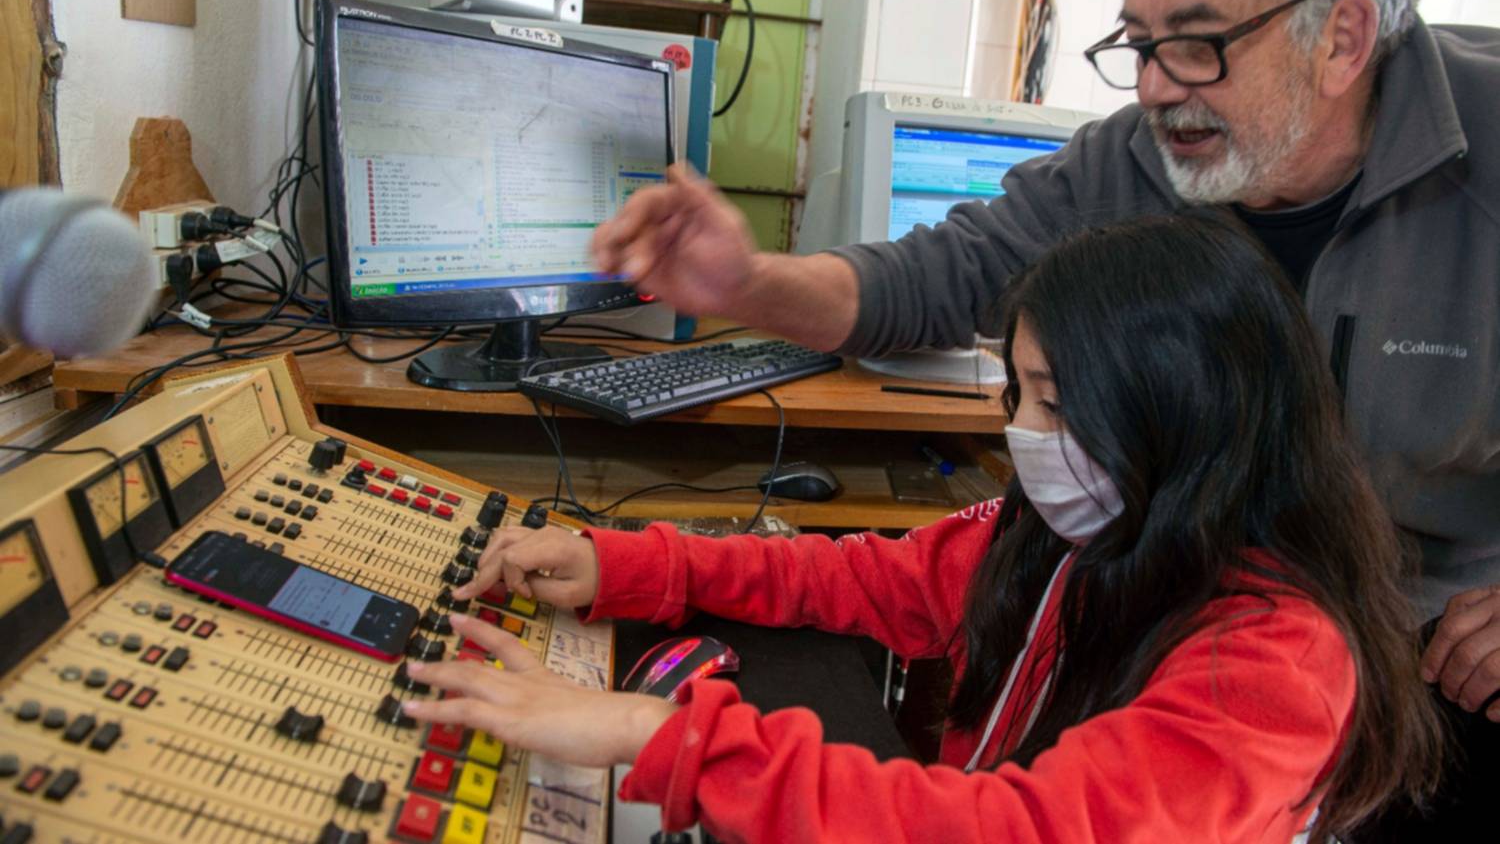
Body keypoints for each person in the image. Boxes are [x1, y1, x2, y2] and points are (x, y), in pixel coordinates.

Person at [590, 0, 1500, 834]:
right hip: (1182, 584)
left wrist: (656, 737)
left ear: (1341, 36)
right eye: (1138, 43)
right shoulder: (1145, 154)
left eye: (1195, 42)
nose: (1153, 87)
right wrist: (747, 283)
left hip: (1424, 648)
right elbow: (944, 278)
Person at [404, 213, 1442, 844]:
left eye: (1054, 400)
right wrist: (621, 560)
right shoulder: (1076, 533)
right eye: (1020, 396)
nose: (1026, 437)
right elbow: (859, 580)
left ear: (1178, 416)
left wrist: (656, 733)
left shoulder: (1277, 662)